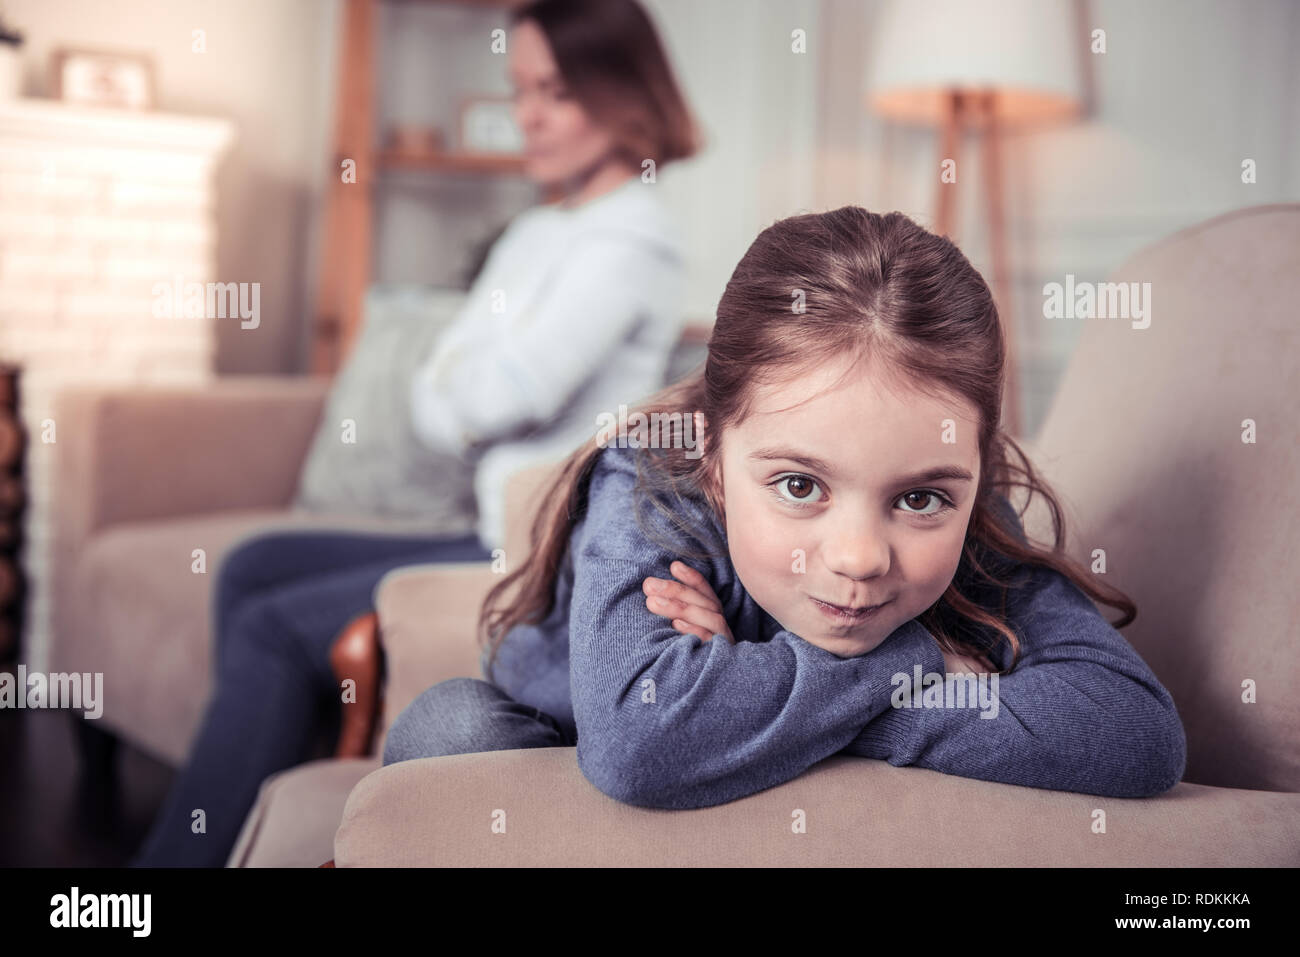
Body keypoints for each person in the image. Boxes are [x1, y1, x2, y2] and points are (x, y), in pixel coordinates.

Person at [132, 0, 700, 866]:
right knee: (251, 565)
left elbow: (492, 395)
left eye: (557, 90)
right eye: (520, 90)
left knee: (275, 626)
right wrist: (458, 385)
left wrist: (452, 383)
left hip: (532, 548)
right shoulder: (543, 230)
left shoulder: (635, 242)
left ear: (622, 89)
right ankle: (265, 785)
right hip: (475, 520)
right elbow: (459, 393)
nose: (530, 116)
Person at [381, 206, 1188, 805]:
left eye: (919, 497)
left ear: (975, 470)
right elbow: (637, 744)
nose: (861, 556)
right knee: (450, 727)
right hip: (566, 740)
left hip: (725, 773)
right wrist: (918, 666)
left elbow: (1137, 734)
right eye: (801, 485)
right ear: (715, 459)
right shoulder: (652, 484)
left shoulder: (973, 521)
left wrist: (742, 690)